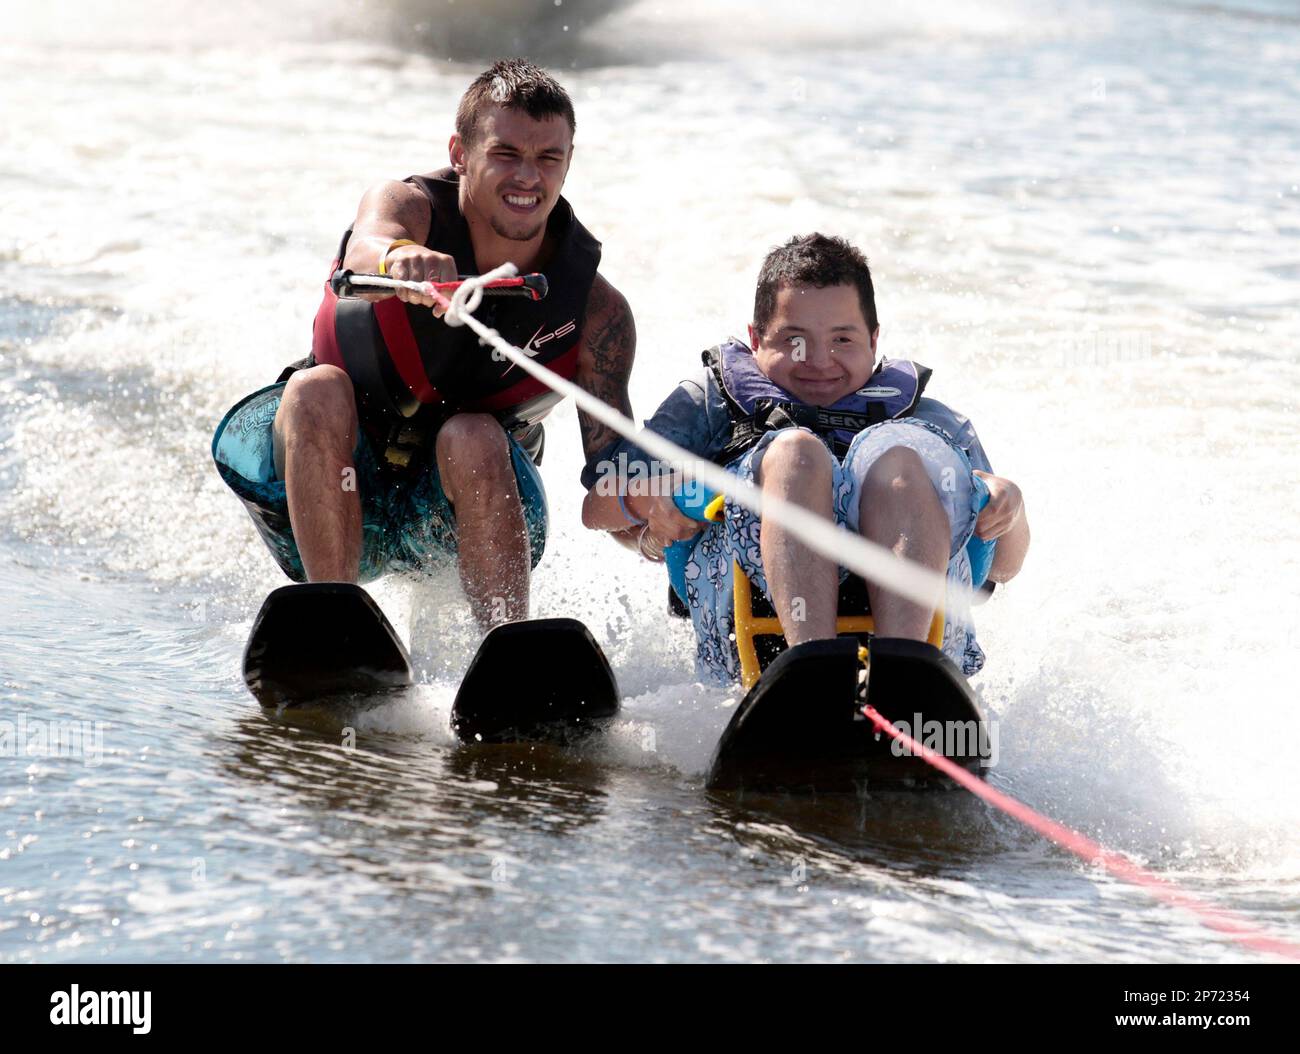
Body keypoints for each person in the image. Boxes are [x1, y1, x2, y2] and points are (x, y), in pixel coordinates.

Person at [212, 60, 636, 628]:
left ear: (568, 162)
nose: (528, 178)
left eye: (548, 158)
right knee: (314, 388)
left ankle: (507, 649)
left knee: (474, 433)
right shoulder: (407, 208)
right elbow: (369, 241)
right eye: (505, 153)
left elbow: (614, 486)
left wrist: (652, 522)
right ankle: (336, 626)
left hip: (465, 511)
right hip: (330, 487)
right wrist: (397, 258)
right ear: (460, 153)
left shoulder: (599, 314)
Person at [582, 233, 1029, 683]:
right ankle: (813, 674)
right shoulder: (708, 403)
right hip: (746, 589)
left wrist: (1008, 507)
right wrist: (655, 500)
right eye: (793, 340)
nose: (818, 360)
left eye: (842, 339)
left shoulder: (926, 420)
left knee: (899, 459)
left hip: (916, 600)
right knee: (796, 452)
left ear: (874, 341)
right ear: (755, 338)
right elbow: (597, 506)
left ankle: (905, 676)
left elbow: (1003, 568)